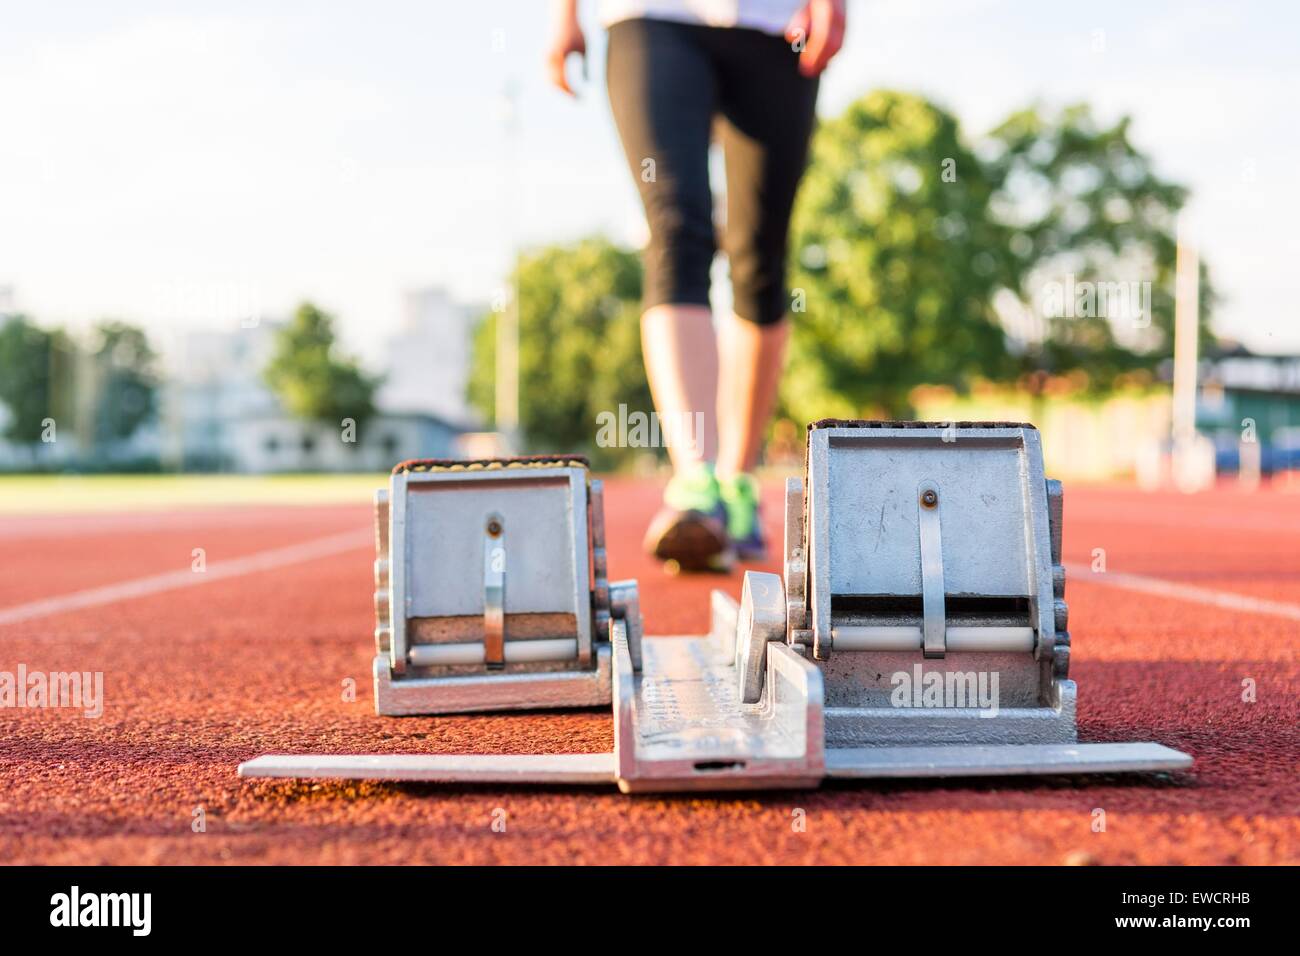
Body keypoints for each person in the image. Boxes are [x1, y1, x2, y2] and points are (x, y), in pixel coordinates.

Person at [547, 0, 846, 570]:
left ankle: (736, 482)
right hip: (650, 18)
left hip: (772, 24)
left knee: (759, 254)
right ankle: (695, 481)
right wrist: (564, 15)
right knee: (675, 226)